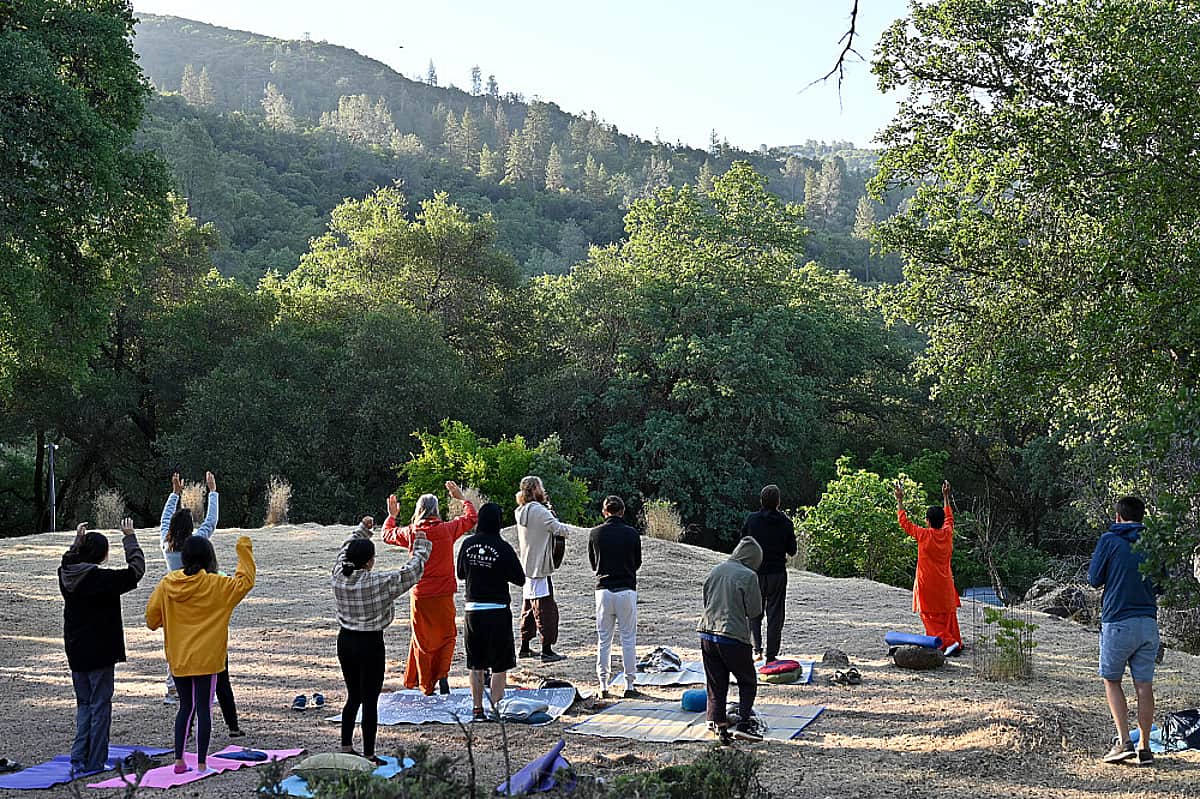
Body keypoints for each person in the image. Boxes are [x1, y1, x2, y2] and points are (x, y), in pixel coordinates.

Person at [146, 533, 255, 775]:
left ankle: (179, 761)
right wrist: (243, 548)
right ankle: (202, 763)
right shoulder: (217, 585)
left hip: (179, 657)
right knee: (204, 707)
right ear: (210, 559)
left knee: (185, 706)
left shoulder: (167, 584)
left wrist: (173, 620)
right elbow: (245, 581)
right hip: (208, 659)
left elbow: (151, 620)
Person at [333, 515, 431, 763]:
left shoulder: (338, 575)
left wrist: (363, 529)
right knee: (370, 700)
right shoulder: (379, 582)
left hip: (345, 641)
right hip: (370, 644)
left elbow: (345, 549)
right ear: (370, 562)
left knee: (353, 696)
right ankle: (369, 753)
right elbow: (411, 572)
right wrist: (420, 543)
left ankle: (346, 746)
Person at [59, 518, 145, 776]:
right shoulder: (101, 578)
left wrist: (77, 542)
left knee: (84, 704)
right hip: (100, 653)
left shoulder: (65, 574)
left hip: (76, 650)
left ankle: (78, 758)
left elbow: (68, 559)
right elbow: (136, 571)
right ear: (103, 554)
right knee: (100, 707)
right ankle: (95, 761)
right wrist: (129, 537)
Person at [382, 481, 477, 695]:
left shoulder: (412, 532)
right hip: (444, 592)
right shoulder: (447, 529)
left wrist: (392, 515)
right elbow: (472, 518)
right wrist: (462, 499)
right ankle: (442, 674)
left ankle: (426, 684)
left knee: (422, 639)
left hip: (421, 594)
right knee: (447, 635)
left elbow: (386, 534)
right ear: (436, 510)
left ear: (418, 510)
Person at [1087, 496, 1159, 766]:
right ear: (1142, 517)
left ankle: (1123, 742)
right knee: (1144, 685)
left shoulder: (1109, 540)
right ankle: (1145, 746)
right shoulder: (1152, 543)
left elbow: (1094, 579)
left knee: (1112, 680)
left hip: (1117, 620)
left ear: (1117, 517)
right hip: (1148, 622)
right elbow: (1161, 584)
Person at [456, 502, 525, 721]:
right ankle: (496, 709)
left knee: (476, 663)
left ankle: (477, 710)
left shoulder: (467, 544)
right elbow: (520, 579)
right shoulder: (503, 547)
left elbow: (460, 573)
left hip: (473, 610)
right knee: (499, 663)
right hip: (497, 610)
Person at [697, 536, 765, 743]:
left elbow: (706, 599)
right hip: (733, 636)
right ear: (754, 559)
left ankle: (718, 724)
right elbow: (755, 611)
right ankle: (744, 724)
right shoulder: (749, 575)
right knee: (747, 681)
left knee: (716, 681)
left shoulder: (716, 569)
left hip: (707, 632)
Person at [895, 480, 962, 654]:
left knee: (929, 616)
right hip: (945, 581)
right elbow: (949, 517)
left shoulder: (923, 535)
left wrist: (900, 500)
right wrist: (946, 496)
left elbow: (904, 523)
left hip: (927, 583)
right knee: (947, 615)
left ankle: (947, 641)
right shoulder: (947, 533)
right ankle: (955, 642)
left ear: (927, 521)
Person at [588, 495, 642, 698]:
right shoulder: (632, 533)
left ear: (604, 512)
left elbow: (594, 564)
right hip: (626, 589)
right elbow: (637, 562)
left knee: (604, 639)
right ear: (622, 511)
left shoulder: (595, 533)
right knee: (628, 638)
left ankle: (603, 685)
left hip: (603, 589)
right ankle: (629, 685)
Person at [514, 475, 570, 662]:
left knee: (529, 607)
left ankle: (525, 647)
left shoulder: (520, 510)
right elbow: (561, 530)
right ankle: (547, 649)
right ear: (535, 489)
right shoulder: (540, 511)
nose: (543, 490)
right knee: (546, 610)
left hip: (526, 566)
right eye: (541, 487)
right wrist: (555, 518)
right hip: (540, 566)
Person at [741, 484, 796, 663]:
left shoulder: (751, 520)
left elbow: (743, 542)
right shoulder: (786, 522)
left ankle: (756, 650)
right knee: (775, 615)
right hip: (777, 573)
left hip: (755, 573)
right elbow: (792, 550)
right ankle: (771, 655)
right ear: (778, 502)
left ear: (761, 501)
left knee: (754, 612)